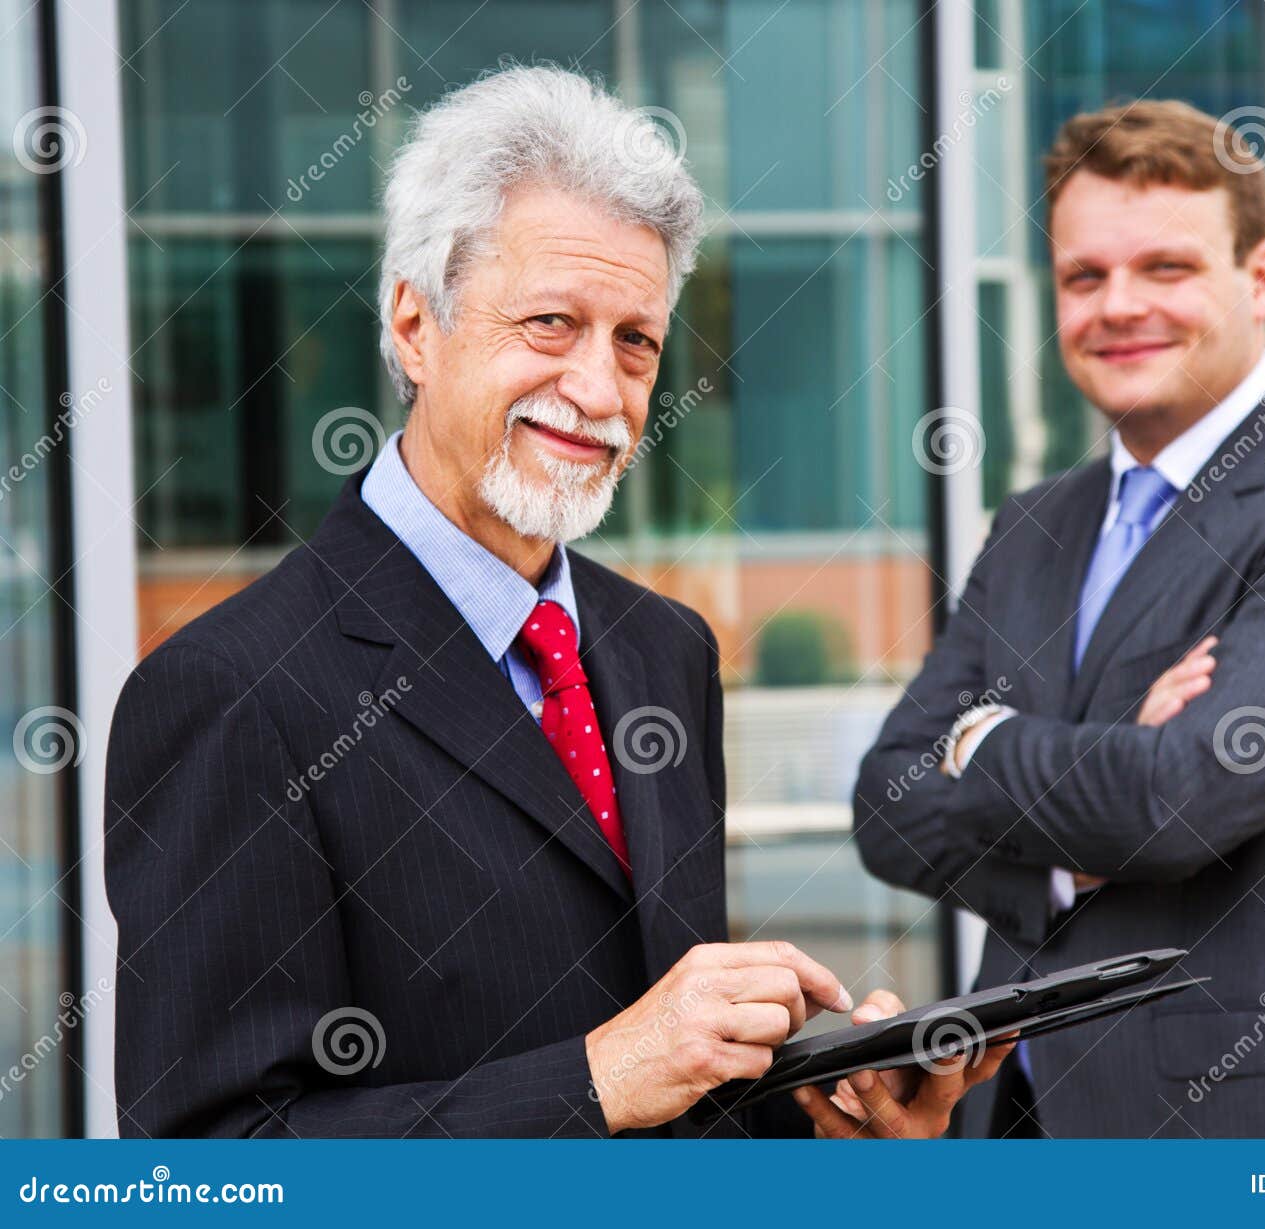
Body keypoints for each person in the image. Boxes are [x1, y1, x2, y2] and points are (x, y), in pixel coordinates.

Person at [105, 65, 1008, 1140]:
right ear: (415, 324)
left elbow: (675, 1082)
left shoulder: (663, 648)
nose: (597, 389)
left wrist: (828, 1124)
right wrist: (596, 1077)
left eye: (636, 341)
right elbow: (214, 1160)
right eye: (549, 322)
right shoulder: (231, 691)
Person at [853, 100, 1265, 1138]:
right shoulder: (1035, 525)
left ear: (1260, 277)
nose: (1118, 305)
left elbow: (1178, 796)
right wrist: (1078, 831)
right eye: (1084, 276)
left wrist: (979, 739)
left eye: (1165, 268)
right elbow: (886, 802)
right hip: (1014, 1126)